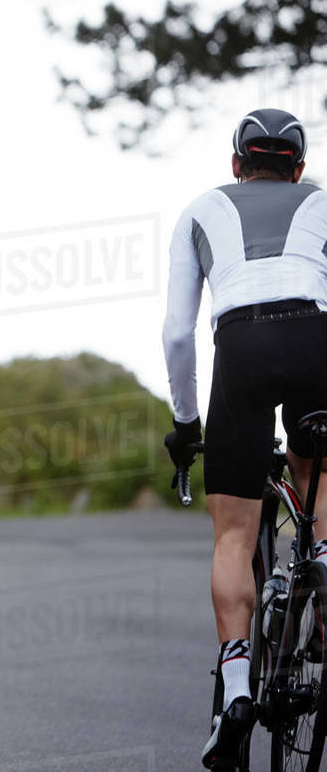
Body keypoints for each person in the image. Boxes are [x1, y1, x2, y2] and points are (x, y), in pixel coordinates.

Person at [162, 108, 327, 769]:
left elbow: (178, 333)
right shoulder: (321, 202)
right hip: (317, 336)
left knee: (235, 535)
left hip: (241, 343)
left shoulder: (201, 209)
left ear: (236, 164)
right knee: (321, 490)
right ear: (299, 169)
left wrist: (184, 425)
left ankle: (235, 686)